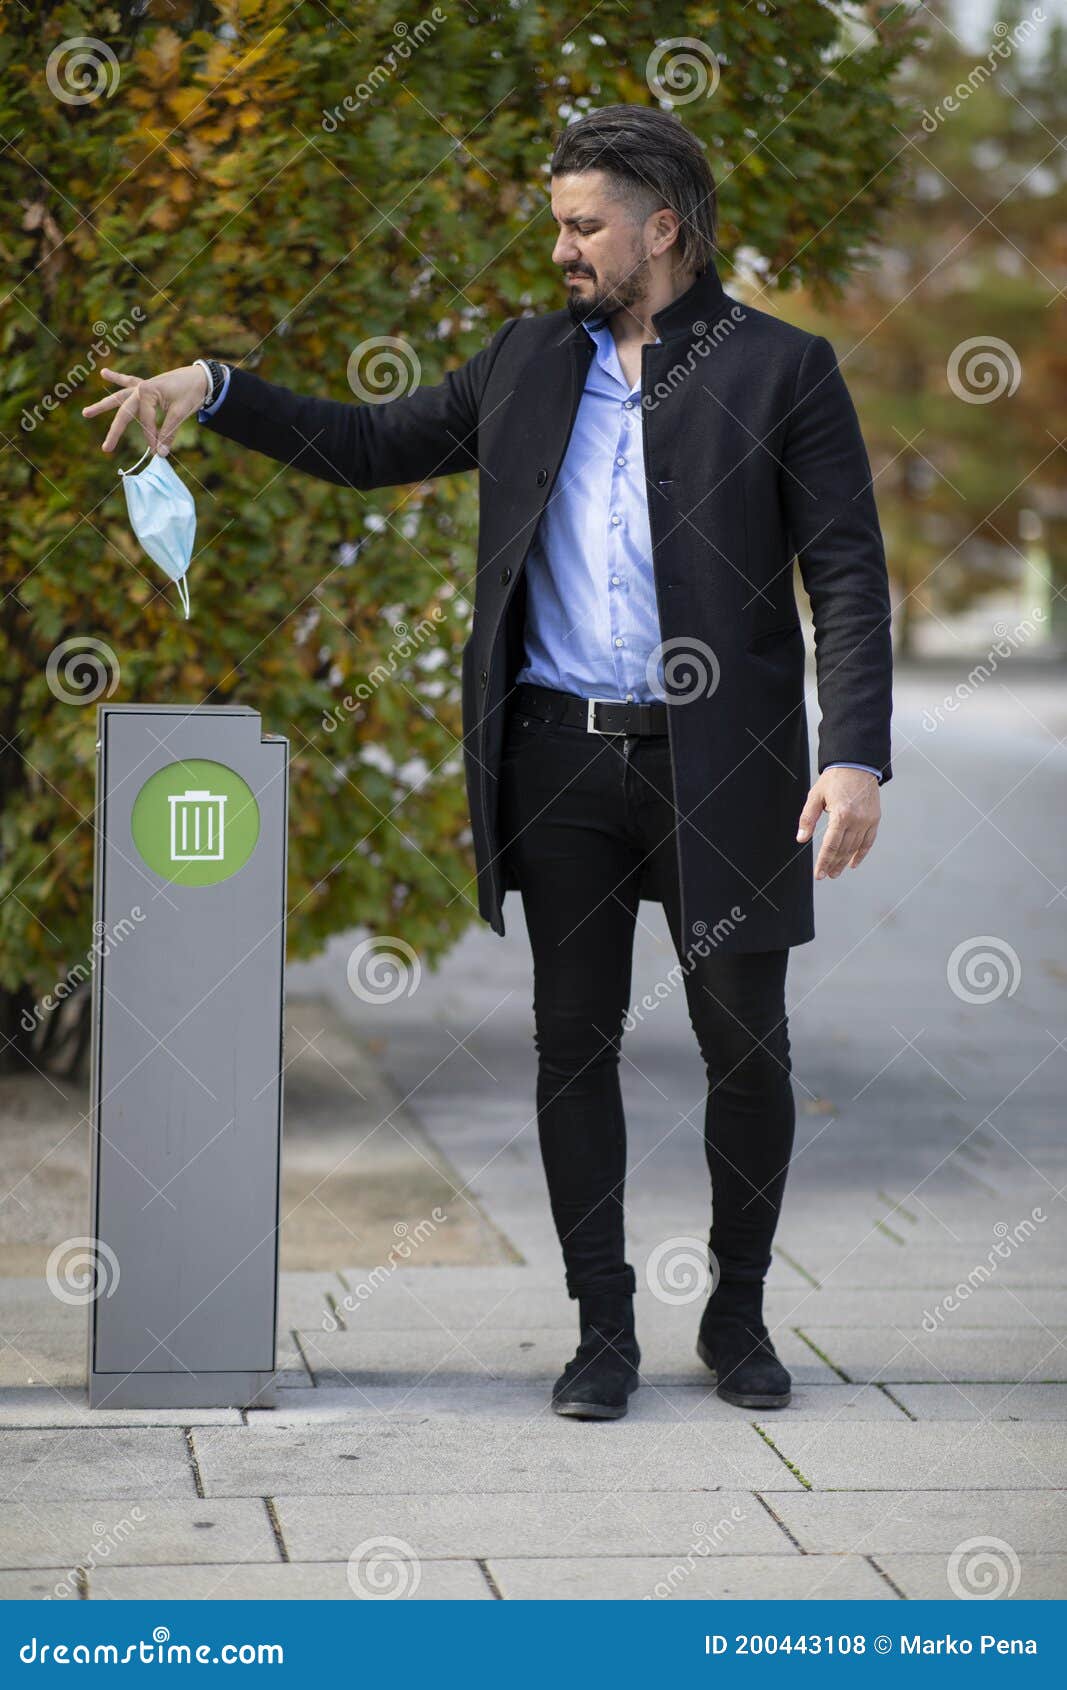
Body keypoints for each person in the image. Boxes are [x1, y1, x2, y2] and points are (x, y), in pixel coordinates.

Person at [83, 103, 893, 1421]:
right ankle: (601, 1328)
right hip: (559, 760)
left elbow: (848, 573)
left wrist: (855, 754)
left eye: (584, 225)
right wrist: (212, 390)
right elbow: (368, 447)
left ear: (662, 228)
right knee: (571, 1044)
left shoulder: (781, 370)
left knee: (745, 1043)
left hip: (726, 766)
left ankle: (737, 1311)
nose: (562, 248)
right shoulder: (524, 361)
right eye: (557, 224)